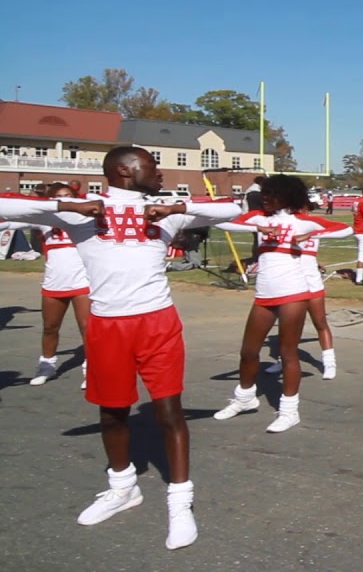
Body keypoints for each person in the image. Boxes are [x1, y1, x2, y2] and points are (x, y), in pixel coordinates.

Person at [0, 146, 242, 550]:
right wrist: (68, 203)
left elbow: (232, 210)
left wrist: (174, 208)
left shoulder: (165, 208)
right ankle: (123, 487)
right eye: (152, 166)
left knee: (169, 411)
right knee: (111, 412)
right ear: (124, 170)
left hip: (157, 321)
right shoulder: (79, 211)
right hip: (107, 324)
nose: (161, 173)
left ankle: (179, 500)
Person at [212, 176, 354, 432]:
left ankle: (289, 411)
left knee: (288, 353)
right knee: (248, 352)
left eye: (272, 194)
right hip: (264, 295)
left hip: (293, 293)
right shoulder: (257, 218)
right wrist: (258, 230)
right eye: (264, 193)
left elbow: (346, 229)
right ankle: (245, 398)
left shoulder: (300, 221)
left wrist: (311, 232)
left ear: (287, 197)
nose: (265, 198)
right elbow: (222, 223)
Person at [0, 183, 92, 387]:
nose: (65, 199)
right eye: (59, 196)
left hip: (83, 281)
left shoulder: (86, 219)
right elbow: (10, 222)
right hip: (55, 282)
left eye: (69, 195)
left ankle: (91, 367)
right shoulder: (45, 220)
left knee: (87, 328)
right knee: (50, 327)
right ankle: (46, 365)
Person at [262, 202, 353, 380]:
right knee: (286, 326)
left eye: (306, 209)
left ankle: (329, 362)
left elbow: (345, 230)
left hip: (311, 282)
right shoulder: (286, 225)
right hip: (290, 282)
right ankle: (283, 360)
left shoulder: (313, 226)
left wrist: (312, 233)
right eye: (300, 209)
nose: (303, 213)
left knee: (320, 322)